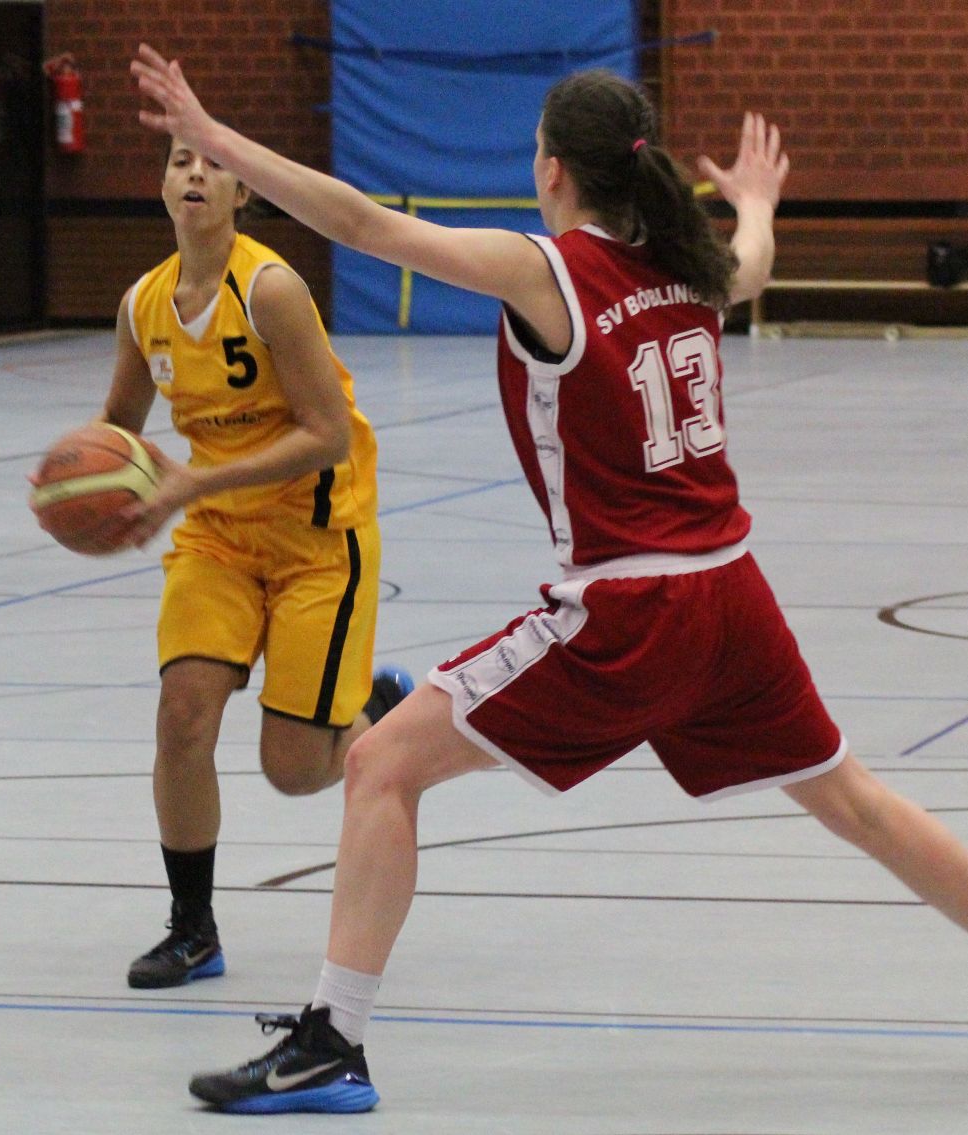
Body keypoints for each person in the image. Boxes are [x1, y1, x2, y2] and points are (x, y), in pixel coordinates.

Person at [132, 45, 968, 1115]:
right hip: (732, 594)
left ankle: (332, 1038)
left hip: (631, 609)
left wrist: (214, 136)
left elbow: (361, 224)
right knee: (852, 802)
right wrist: (754, 202)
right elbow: (751, 266)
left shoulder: (552, 271)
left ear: (551, 172)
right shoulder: (687, 262)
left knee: (380, 764)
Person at [92, 127, 412, 990]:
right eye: (178, 161)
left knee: (293, 768)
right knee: (182, 716)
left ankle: (375, 714)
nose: (194, 173)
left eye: (214, 164)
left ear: (243, 196)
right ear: (163, 188)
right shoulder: (143, 304)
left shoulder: (270, 289)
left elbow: (326, 435)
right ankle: (192, 928)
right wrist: (83, 483)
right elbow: (119, 426)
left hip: (318, 538)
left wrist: (190, 481)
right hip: (218, 540)